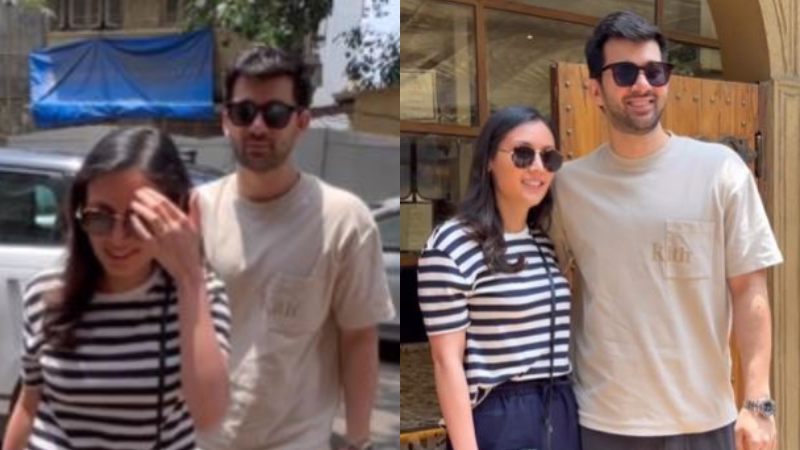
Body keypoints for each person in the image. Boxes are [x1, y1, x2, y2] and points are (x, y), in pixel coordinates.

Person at [550, 10, 782, 450]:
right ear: (594, 88)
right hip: (604, 421)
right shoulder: (569, 186)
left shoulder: (720, 172)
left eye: (654, 71)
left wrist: (758, 403)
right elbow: (548, 286)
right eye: (624, 72)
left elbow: (750, 289)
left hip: (702, 421)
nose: (642, 84)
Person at [193, 46, 395, 450]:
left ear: (301, 121)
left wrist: (358, 441)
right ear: (225, 120)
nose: (258, 127)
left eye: (275, 114)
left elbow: (359, 339)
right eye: (244, 112)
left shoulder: (343, 220)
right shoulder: (194, 211)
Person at [2, 126, 231, 450]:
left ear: (177, 212)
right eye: (100, 218)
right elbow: (30, 401)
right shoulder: (46, 293)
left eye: (139, 219)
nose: (117, 238)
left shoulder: (200, 295)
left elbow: (209, 415)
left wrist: (189, 278)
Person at [417, 105, 580, 450]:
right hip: (501, 414)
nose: (538, 167)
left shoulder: (543, 241)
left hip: (560, 405)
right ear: (489, 160)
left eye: (548, 158)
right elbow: (446, 363)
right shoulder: (452, 245)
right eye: (522, 154)